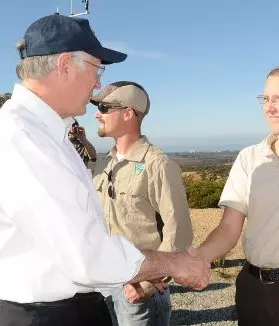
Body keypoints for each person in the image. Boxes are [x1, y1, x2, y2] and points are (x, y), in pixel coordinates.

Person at [0, 14, 210, 326]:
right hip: (46, 313)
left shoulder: (46, 135)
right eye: (97, 70)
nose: (98, 83)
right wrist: (173, 263)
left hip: (83, 301)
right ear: (64, 65)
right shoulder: (23, 138)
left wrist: (150, 274)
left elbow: (173, 226)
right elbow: (87, 256)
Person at [195, 64, 279, 326]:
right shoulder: (250, 157)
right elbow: (228, 230)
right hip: (252, 289)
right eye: (265, 99)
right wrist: (194, 260)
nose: (269, 107)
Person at [91, 81, 193, 326]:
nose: (97, 114)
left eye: (105, 108)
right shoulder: (106, 164)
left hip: (137, 292)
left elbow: (179, 230)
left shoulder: (158, 164)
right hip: (105, 285)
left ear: (128, 113)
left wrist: (148, 284)